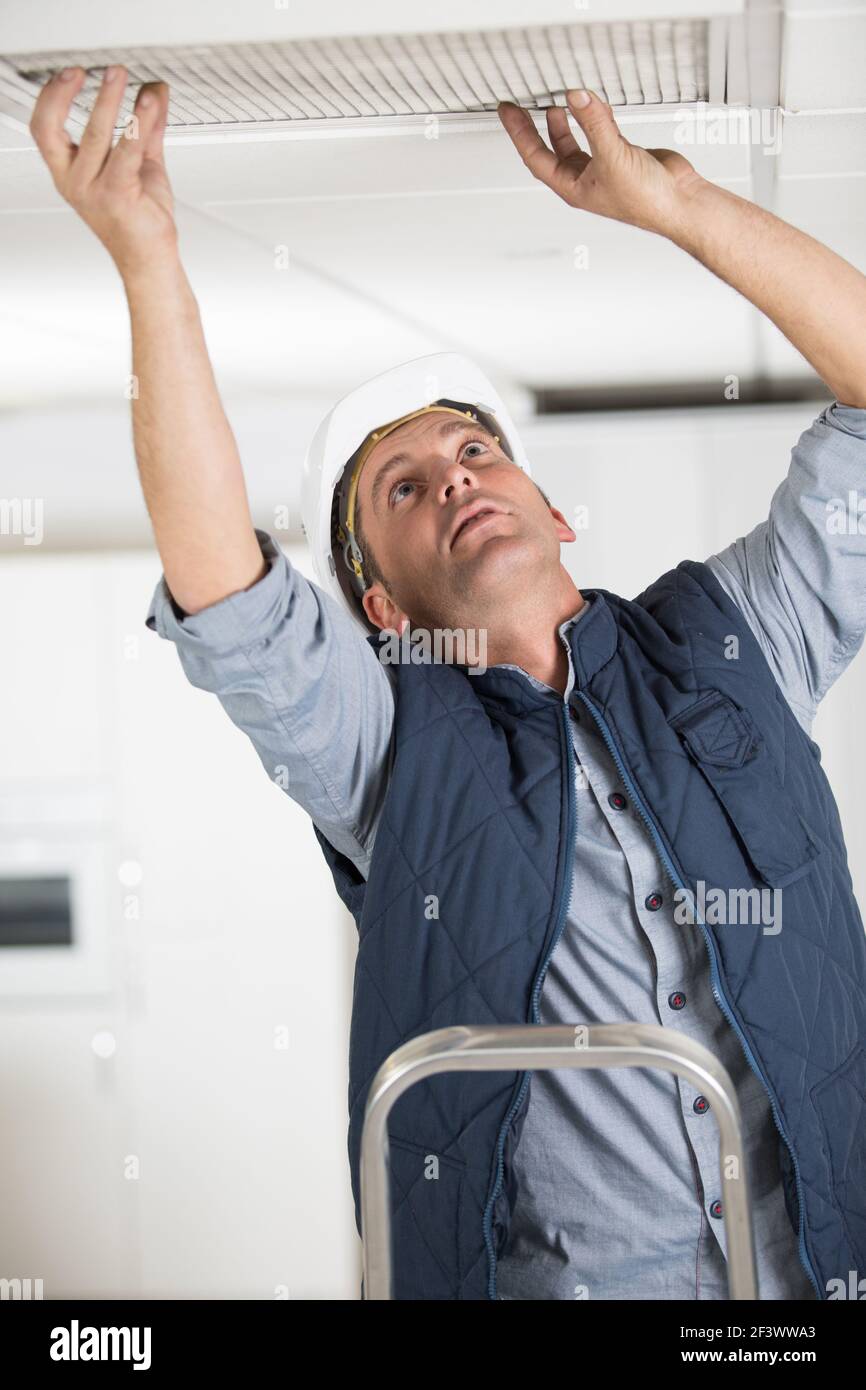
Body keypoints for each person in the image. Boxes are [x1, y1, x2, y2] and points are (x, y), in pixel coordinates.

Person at [30, 67, 866, 1302]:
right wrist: (150, 259)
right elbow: (227, 591)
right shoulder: (387, 752)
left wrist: (679, 207)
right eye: (404, 489)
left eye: (474, 451)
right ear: (381, 607)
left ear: (552, 510)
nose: (456, 478)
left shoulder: (733, 637)